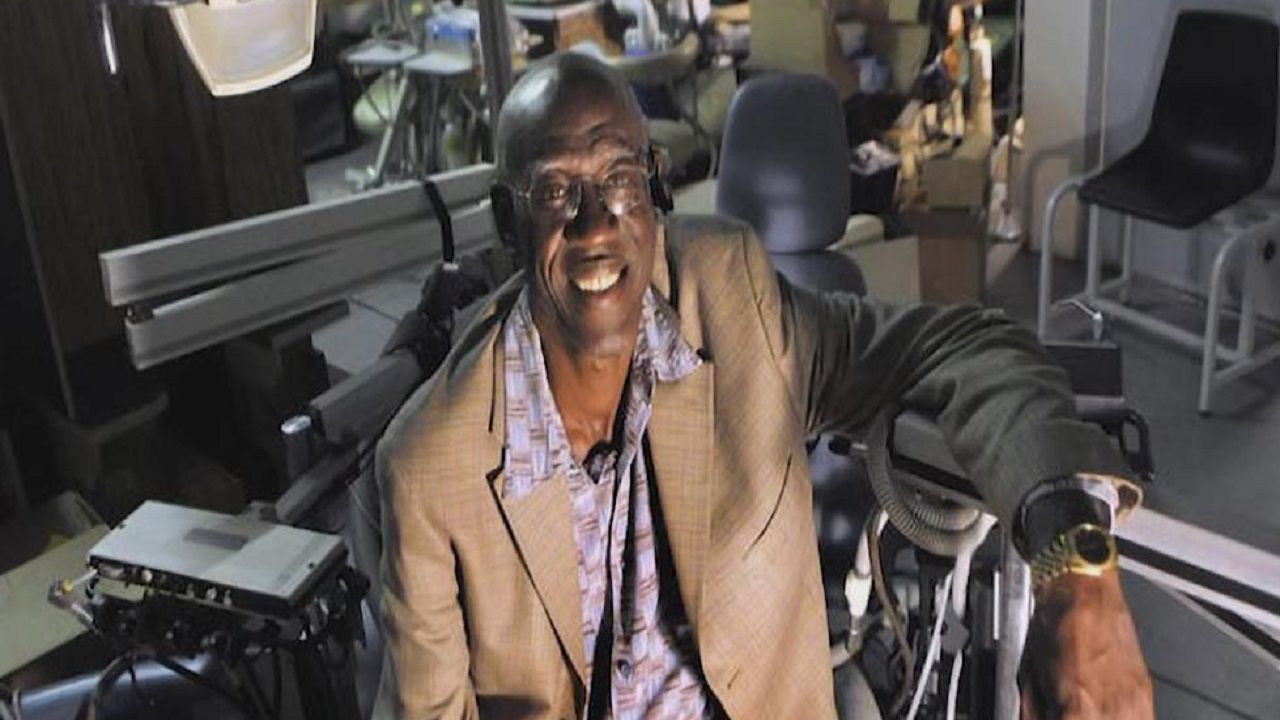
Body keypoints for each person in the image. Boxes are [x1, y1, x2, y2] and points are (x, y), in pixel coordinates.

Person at [374, 53, 1154, 720]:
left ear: (656, 190)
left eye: (620, 180)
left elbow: (962, 345)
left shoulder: (733, 300)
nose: (595, 225)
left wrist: (1074, 563)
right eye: (554, 192)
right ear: (506, 221)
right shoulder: (430, 474)